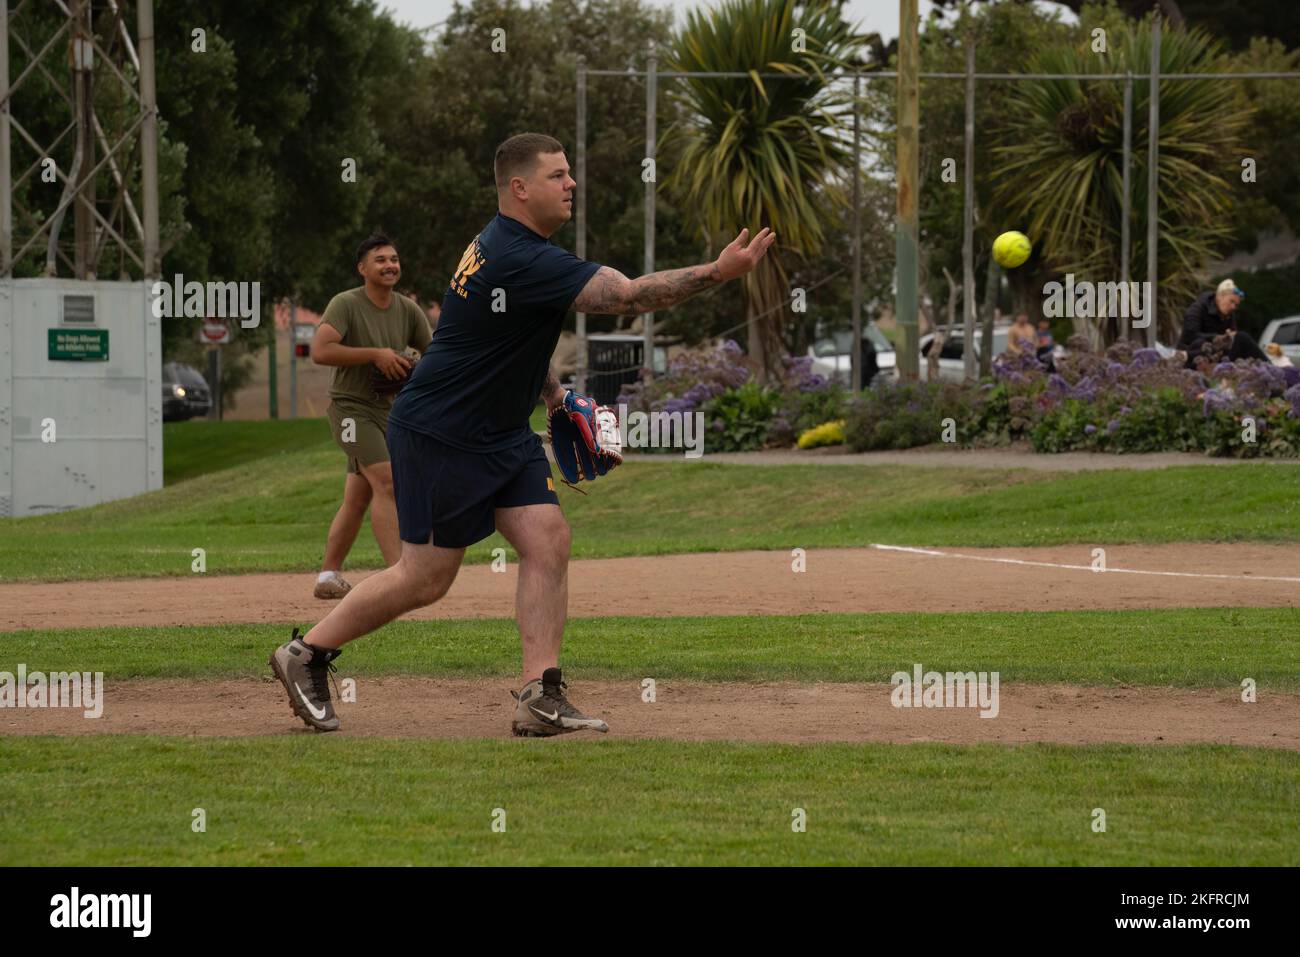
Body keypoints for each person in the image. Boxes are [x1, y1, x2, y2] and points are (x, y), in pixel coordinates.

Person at [269, 132, 775, 735]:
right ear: (519, 187)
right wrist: (720, 270)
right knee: (425, 578)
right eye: (557, 175)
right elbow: (629, 295)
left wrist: (554, 393)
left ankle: (541, 694)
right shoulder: (520, 256)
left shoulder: (503, 245)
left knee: (548, 537)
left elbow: (511, 337)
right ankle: (308, 653)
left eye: (569, 174)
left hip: (502, 432)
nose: (571, 185)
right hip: (441, 432)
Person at [310, 234, 433, 599]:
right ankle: (401, 577)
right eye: (380, 260)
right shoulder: (345, 304)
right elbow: (320, 351)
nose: (390, 265)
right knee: (388, 483)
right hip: (350, 409)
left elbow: (436, 353)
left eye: (394, 259)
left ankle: (328, 575)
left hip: (388, 412)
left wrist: (417, 367)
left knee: (359, 497)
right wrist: (375, 354)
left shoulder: (407, 309)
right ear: (362, 268)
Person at [1177, 278, 1265, 366]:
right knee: (1241, 337)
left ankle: (1268, 368)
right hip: (1194, 355)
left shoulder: (1229, 314)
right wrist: (1218, 337)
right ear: (1220, 296)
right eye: (1231, 302)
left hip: (1218, 354)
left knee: (1241, 339)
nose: (1233, 307)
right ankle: (1269, 367)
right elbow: (1191, 336)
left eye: (1236, 305)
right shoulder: (1197, 308)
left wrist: (1230, 336)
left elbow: (1233, 336)